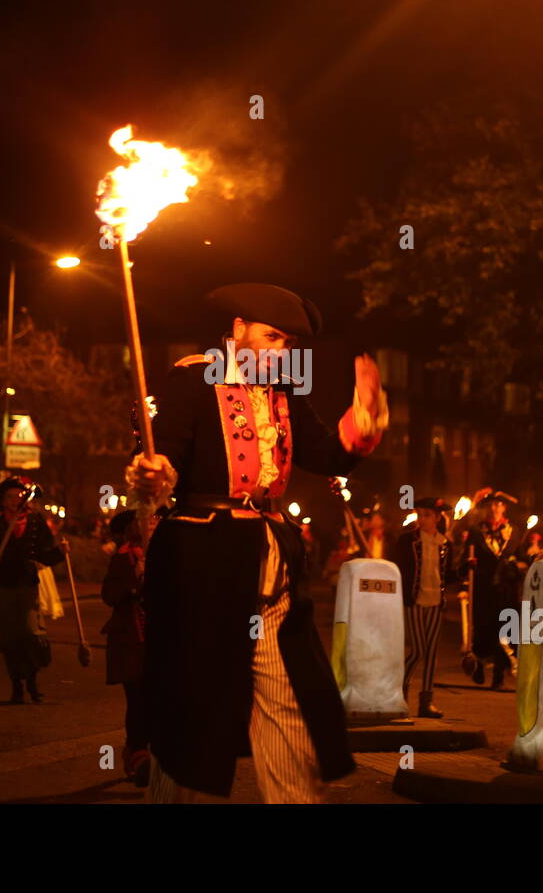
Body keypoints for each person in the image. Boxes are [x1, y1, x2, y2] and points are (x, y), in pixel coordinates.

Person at [126, 282, 388, 802]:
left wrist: (363, 421)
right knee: (195, 710)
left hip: (271, 564)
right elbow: (165, 455)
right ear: (239, 330)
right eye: (271, 336)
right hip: (204, 563)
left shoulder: (285, 390)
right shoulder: (192, 380)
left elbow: (327, 454)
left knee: (288, 700)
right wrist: (153, 475)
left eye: (287, 342)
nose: (279, 349)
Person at [0, 477, 67, 704]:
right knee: (10, 639)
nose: (15, 500)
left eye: (19, 496)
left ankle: (32, 681)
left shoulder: (36, 522)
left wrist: (60, 552)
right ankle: (16, 686)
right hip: (3, 586)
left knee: (30, 634)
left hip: (27, 586)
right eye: (10, 496)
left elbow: (44, 555)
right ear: (3, 500)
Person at [101, 510, 151, 787]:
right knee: (137, 699)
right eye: (139, 522)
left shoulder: (160, 554)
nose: (144, 525)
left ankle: (139, 750)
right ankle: (139, 754)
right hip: (130, 641)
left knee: (155, 698)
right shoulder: (121, 559)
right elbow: (109, 595)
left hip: (157, 641)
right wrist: (133, 588)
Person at [391, 497, 450, 717]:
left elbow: (447, 574)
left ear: (436, 518)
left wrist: (466, 569)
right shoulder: (407, 541)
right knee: (418, 650)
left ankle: (426, 701)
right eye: (420, 513)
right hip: (414, 600)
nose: (422, 519)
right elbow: (397, 568)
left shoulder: (445, 543)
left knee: (432, 653)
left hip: (436, 601)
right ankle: (399, 691)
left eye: (427, 514)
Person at [465, 489, 519, 690]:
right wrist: (468, 565)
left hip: (506, 588)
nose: (494, 508)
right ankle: (478, 663)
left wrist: (530, 559)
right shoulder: (476, 531)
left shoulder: (513, 531)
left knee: (504, 631)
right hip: (484, 589)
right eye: (490, 505)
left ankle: (498, 675)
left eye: (498, 505)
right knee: (483, 630)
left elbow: (520, 556)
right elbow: (465, 559)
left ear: (503, 508)